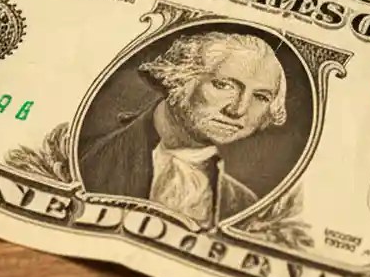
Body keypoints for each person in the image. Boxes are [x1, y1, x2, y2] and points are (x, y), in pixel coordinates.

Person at [79, 31, 288, 227]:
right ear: (178, 79)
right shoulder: (85, 156)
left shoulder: (244, 204)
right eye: (224, 85)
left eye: (261, 97)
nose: (239, 110)